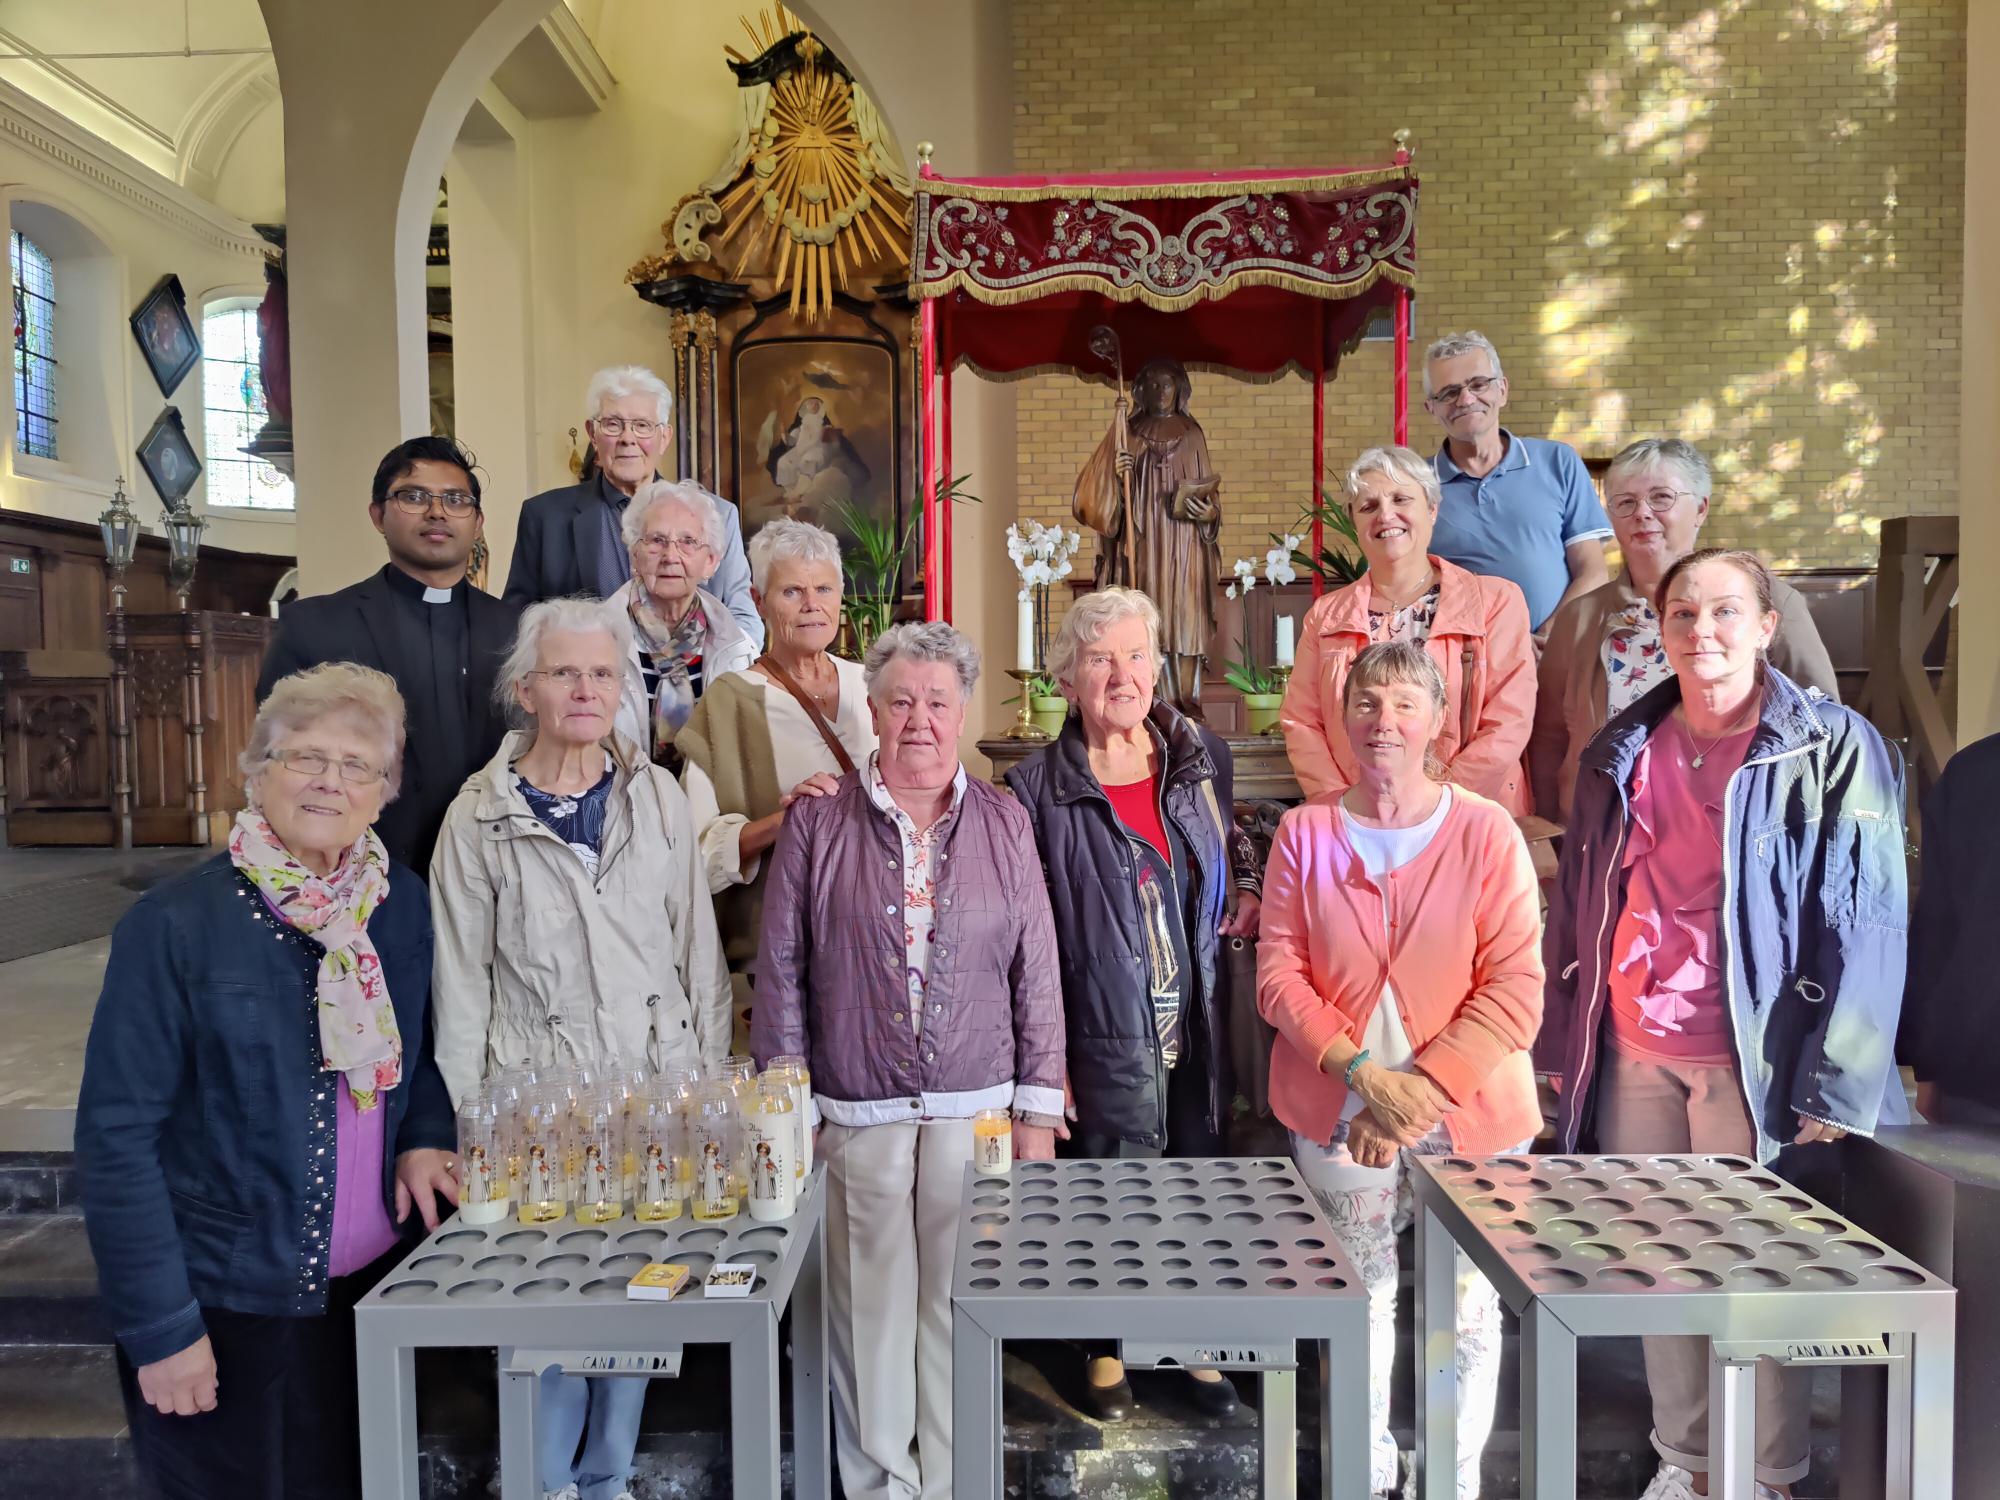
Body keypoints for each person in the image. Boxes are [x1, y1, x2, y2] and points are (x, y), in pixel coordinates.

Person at [1539, 548, 1909, 1500]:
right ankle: (1689, 1464)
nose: (1702, 632)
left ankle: (1767, 1473)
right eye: (1683, 615)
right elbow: (1582, 900)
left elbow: (1867, 917)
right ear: (1659, 629)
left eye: (1724, 612)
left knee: (1755, 1274)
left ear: (1766, 623)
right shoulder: (1622, 744)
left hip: (1753, 1058)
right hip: (1635, 1047)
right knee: (1664, 1267)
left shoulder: (1828, 743)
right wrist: (1561, 1044)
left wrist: (1838, 1077)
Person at [75, 664, 459, 1500]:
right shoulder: (176, 925)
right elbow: (116, 1141)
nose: (330, 781)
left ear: (386, 789)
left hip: (364, 1299)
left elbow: (416, 1051)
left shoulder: (394, 906)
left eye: (357, 765)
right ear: (255, 772)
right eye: (303, 757)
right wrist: (162, 1329)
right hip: (225, 1305)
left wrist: (426, 1133)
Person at [754, 621, 1066, 1500]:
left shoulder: (1005, 818)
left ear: (962, 709)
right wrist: (792, 1108)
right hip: (857, 1108)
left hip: (981, 1109)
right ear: (874, 711)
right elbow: (780, 968)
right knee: (871, 1310)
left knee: (960, 1303)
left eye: (937, 701)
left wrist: (1041, 1110)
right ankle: (882, 1484)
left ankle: (957, 1482)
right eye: (901, 702)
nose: (919, 720)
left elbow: (1037, 963)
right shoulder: (818, 819)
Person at [429, 596, 729, 1500]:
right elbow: (460, 989)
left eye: (604, 673)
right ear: (526, 689)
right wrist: (467, 1127)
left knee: (643, 1299)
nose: (587, 689)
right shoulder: (476, 818)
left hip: (655, 1093)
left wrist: (709, 1095)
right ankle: (541, 1485)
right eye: (565, 672)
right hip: (537, 1107)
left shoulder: (663, 798)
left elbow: (699, 961)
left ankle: (606, 1479)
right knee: (547, 1310)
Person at [1261, 641, 1541, 1500]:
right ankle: (1369, 1470)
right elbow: (1278, 973)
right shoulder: (1304, 831)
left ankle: (1452, 1480)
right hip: (1335, 1107)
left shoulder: (1487, 831)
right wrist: (1362, 1077)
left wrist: (1411, 1096)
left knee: (1466, 1306)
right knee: (1359, 1294)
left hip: (1471, 1112)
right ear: (1343, 720)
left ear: (1438, 722)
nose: (1385, 722)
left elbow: (1518, 985)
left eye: (1406, 705)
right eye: (1368, 704)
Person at [1004, 585, 1261, 1420]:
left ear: (1158, 665)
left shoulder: (1199, 757)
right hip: (1097, 1024)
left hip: (1197, 1012)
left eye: (1136, 654)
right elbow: (1024, 936)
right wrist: (1043, 1066)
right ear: (1067, 676)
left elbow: (1237, 837)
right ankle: (1107, 1345)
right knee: (1108, 1190)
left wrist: (1248, 884)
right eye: (1100, 657)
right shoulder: (1032, 787)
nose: (1122, 673)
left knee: (1191, 1176)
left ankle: (1187, 1338)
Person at [1532, 438, 1839, 823]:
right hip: (1606, 831)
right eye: (1625, 503)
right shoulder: (1580, 618)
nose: (1642, 513)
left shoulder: (1769, 601)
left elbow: (1820, 717)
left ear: (1700, 508)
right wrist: (1550, 831)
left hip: (1737, 828)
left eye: (1661, 497)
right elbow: (1548, 740)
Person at [257, 435, 521, 875]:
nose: (437, 511)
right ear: (378, 515)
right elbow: (281, 764)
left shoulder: (517, 631)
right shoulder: (316, 627)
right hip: (362, 872)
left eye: (456, 500)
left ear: (477, 523)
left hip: (496, 868)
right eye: (414, 497)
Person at [678, 518, 877, 1050]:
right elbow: (693, 852)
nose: (812, 604)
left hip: (879, 948)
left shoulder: (874, 685)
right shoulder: (730, 701)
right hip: (783, 955)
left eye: (824, 589)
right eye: (792, 591)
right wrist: (783, 823)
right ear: (759, 600)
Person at [1280, 445, 1537, 814]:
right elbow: (1302, 721)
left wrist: (1435, 809)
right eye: (1368, 506)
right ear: (1355, 521)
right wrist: (1347, 805)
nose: (1385, 515)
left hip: (1473, 815)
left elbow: (1508, 720)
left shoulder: (1495, 602)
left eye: (1401, 499)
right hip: (1357, 819)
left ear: (1431, 510)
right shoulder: (1326, 614)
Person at [504, 364, 761, 645]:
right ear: (592, 433)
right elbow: (518, 621)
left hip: (695, 682)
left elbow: (744, 618)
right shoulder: (545, 517)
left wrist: (713, 670)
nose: (628, 439)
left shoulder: (718, 515)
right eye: (613, 424)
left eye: (642, 426)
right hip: (586, 683)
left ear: (664, 438)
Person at [1421, 330, 1612, 634]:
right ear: (1431, 408)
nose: (1466, 399)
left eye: (1478, 384)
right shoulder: (1416, 485)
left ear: (1502, 390)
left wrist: (1546, 639)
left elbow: (1592, 571)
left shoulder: (1557, 461)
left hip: (1554, 660)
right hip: (1462, 664)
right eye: (1448, 393)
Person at [1071, 356, 1223, 712]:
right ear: (1140, 391)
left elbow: (1210, 498)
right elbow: (1106, 507)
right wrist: (1116, 471)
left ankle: (1185, 701)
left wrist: (1209, 514)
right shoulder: (1130, 433)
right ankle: (1146, 698)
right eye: (1152, 385)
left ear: (1179, 389)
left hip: (1184, 545)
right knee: (1143, 613)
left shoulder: (1191, 435)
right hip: (1142, 545)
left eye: (1167, 384)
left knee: (1183, 617)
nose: (1160, 392)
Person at [608, 478, 759, 764]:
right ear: (634, 554)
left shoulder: (739, 649)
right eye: (656, 540)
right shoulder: (596, 639)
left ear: (711, 561)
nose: (670, 556)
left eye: (688, 542)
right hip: (623, 803)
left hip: (711, 805)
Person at [1903, 730, 2000, 1124]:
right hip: (1977, 1074)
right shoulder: (1973, 771)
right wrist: (1928, 1065)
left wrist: (1928, 1066)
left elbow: (1935, 931)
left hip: (1976, 1073)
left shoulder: (1974, 768)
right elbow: (1936, 929)